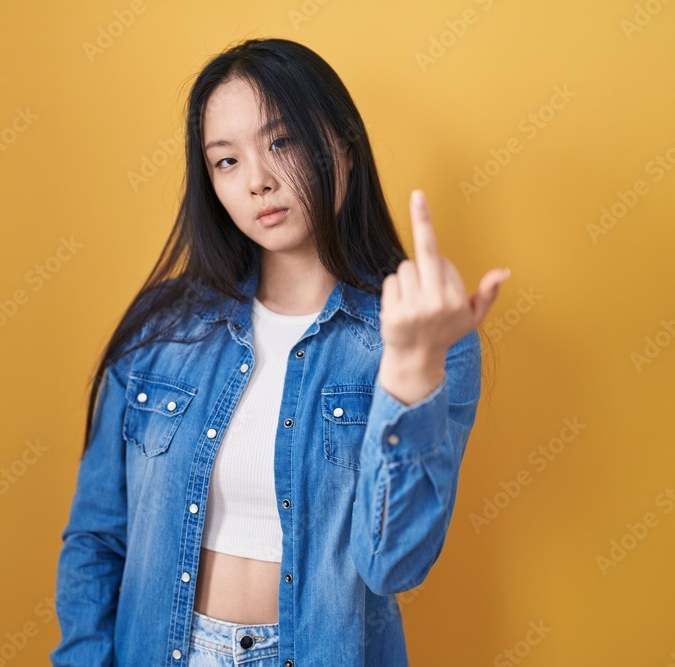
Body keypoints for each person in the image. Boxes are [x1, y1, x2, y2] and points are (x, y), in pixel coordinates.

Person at [50, 37, 510, 667]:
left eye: (283, 142)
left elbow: (395, 563)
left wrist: (409, 372)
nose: (259, 180)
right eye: (226, 162)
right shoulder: (162, 333)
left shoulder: (424, 338)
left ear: (343, 147)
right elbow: (96, 540)